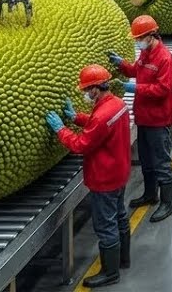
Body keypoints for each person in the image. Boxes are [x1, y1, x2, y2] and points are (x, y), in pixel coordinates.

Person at [46, 65, 132, 287]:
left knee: (105, 225)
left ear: (95, 89)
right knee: (120, 216)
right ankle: (123, 259)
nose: (84, 93)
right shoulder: (117, 104)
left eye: (86, 89)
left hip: (104, 178)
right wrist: (76, 118)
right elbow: (98, 125)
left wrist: (60, 130)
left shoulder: (102, 114)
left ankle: (110, 272)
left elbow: (81, 145)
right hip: (119, 171)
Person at [108, 15, 172, 224]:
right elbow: (136, 70)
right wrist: (121, 64)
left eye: (139, 38)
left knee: (161, 162)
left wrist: (134, 87)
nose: (137, 41)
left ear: (151, 35)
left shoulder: (164, 58)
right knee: (146, 159)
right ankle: (150, 194)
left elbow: (163, 89)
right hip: (144, 117)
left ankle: (167, 203)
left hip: (158, 119)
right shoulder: (145, 53)